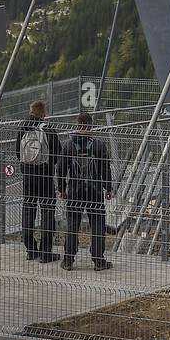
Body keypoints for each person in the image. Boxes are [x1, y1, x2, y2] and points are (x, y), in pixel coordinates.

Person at [59, 111, 113, 271]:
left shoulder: (68, 145)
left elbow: (61, 169)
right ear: (90, 126)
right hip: (94, 191)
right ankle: (98, 260)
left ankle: (68, 259)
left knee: (72, 224)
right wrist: (108, 188)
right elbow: (105, 169)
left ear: (77, 125)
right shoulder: (99, 145)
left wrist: (61, 188)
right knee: (97, 224)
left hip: (75, 191)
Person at [15, 99, 61, 262]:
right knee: (47, 212)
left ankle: (31, 250)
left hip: (27, 176)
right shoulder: (47, 129)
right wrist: (48, 165)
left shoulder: (23, 127)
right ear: (43, 113)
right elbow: (57, 153)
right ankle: (46, 253)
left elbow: (18, 153)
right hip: (45, 176)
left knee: (28, 210)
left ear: (31, 111)